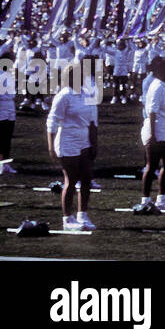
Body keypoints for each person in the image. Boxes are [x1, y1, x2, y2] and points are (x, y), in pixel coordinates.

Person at [46, 60, 98, 231]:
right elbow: (52, 122)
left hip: (83, 140)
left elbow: (91, 121)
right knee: (71, 180)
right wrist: (51, 147)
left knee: (86, 178)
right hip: (67, 140)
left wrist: (93, 142)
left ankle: (82, 215)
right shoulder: (63, 95)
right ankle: (67, 219)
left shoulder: (85, 94)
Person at [139, 57, 165, 213]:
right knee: (151, 166)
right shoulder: (156, 87)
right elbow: (152, 112)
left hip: (164, 132)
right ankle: (145, 200)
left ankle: (161, 199)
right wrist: (153, 136)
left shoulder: (163, 86)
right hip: (155, 132)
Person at [0, 43, 16, 174]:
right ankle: (1, 164)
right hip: (2, 109)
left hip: (10, 108)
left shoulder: (8, 75)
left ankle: (5, 164)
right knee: (2, 138)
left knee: (7, 138)